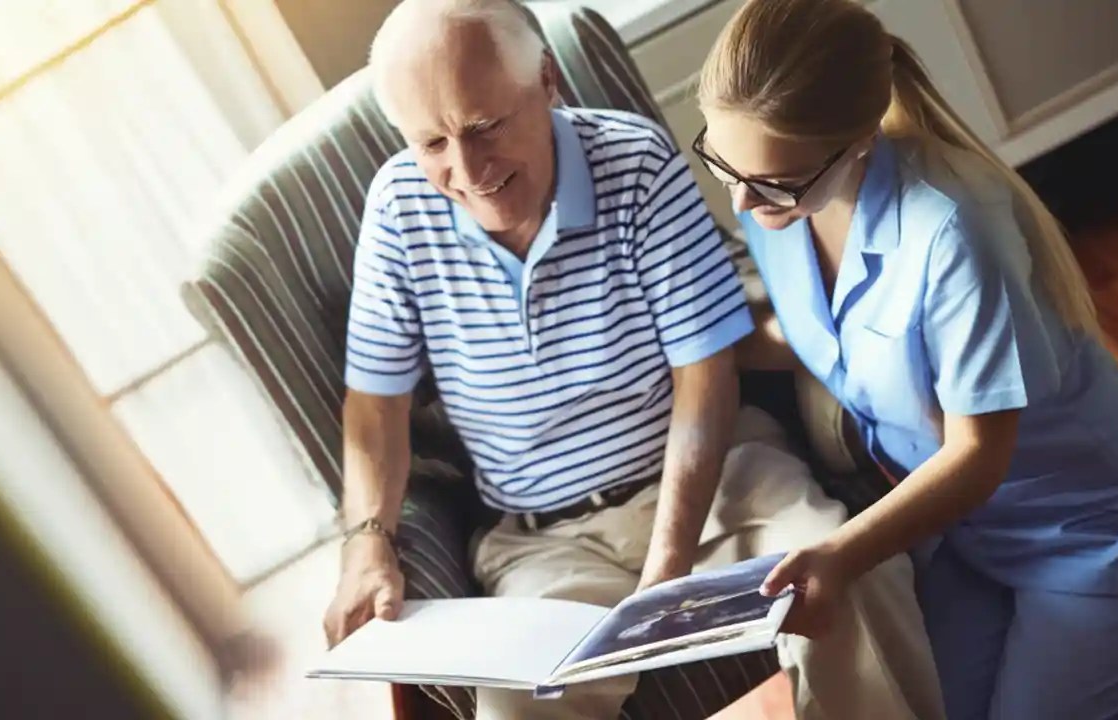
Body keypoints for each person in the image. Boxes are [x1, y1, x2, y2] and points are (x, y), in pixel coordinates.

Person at [323, 1, 945, 718]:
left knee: (849, 581)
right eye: (432, 143)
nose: (467, 170)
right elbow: (376, 402)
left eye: (485, 126)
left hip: (722, 487)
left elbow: (704, 374)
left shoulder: (634, 161)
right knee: (519, 706)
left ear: (548, 81)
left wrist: (667, 569)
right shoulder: (398, 208)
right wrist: (366, 542)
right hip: (546, 541)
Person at [692, 0, 1118, 717]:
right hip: (962, 537)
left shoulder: (954, 229)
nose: (742, 204)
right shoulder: (780, 199)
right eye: (723, 165)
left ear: (858, 142)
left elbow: (977, 454)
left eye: (771, 183)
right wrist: (691, 351)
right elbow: (833, 335)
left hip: (1088, 533)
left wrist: (841, 555)